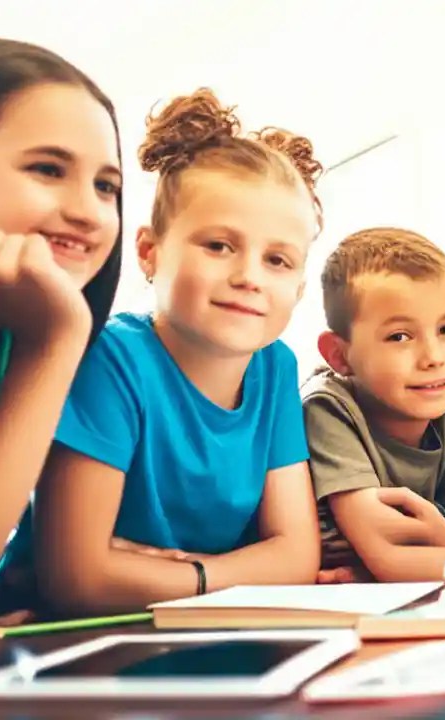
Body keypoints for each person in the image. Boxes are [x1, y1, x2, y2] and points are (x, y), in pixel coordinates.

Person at [24, 88, 322, 615]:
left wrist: (184, 575)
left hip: (192, 626)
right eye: (218, 246)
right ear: (148, 251)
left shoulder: (276, 368)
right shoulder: (109, 360)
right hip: (51, 635)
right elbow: (77, 579)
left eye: (278, 260)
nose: (248, 276)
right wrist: (237, 574)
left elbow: (297, 557)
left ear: (300, 287)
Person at [0, 36, 124, 629]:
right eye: (48, 169)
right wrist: (55, 343)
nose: (90, 212)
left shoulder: (2, 341)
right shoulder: (43, 339)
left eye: (107, 186)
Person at [306, 227, 445, 582]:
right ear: (339, 356)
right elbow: (393, 560)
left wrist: (441, 536)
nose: (434, 357)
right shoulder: (328, 410)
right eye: (400, 336)